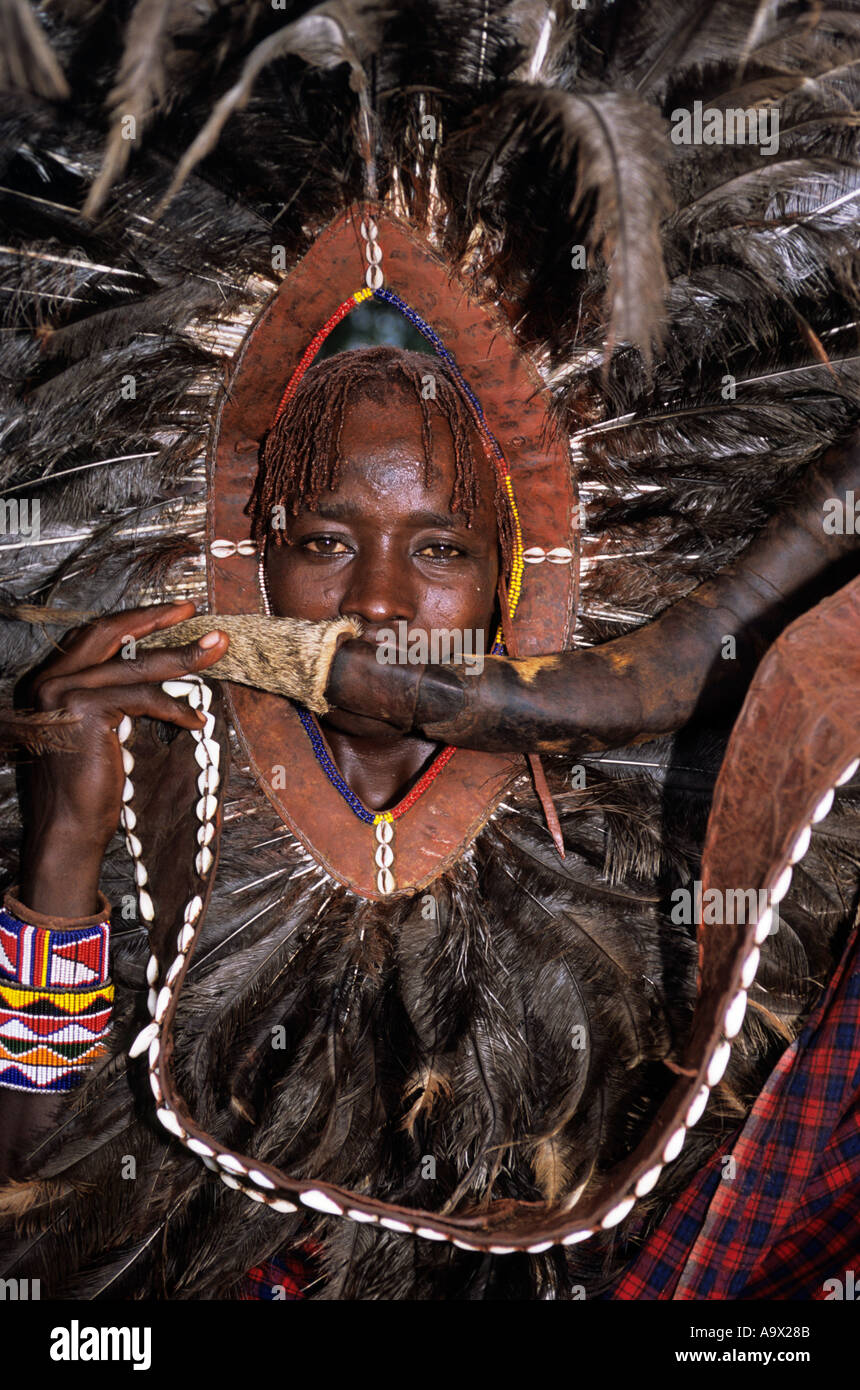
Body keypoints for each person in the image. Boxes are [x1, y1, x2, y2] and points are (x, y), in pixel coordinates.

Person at [1, 344, 855, 1300]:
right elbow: (38, 1199)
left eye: (440, 548)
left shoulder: (676, 851)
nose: (375, 600)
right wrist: (64, 844)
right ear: (255, 562)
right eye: (325, 542)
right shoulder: (149, 777)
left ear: (514, 576)